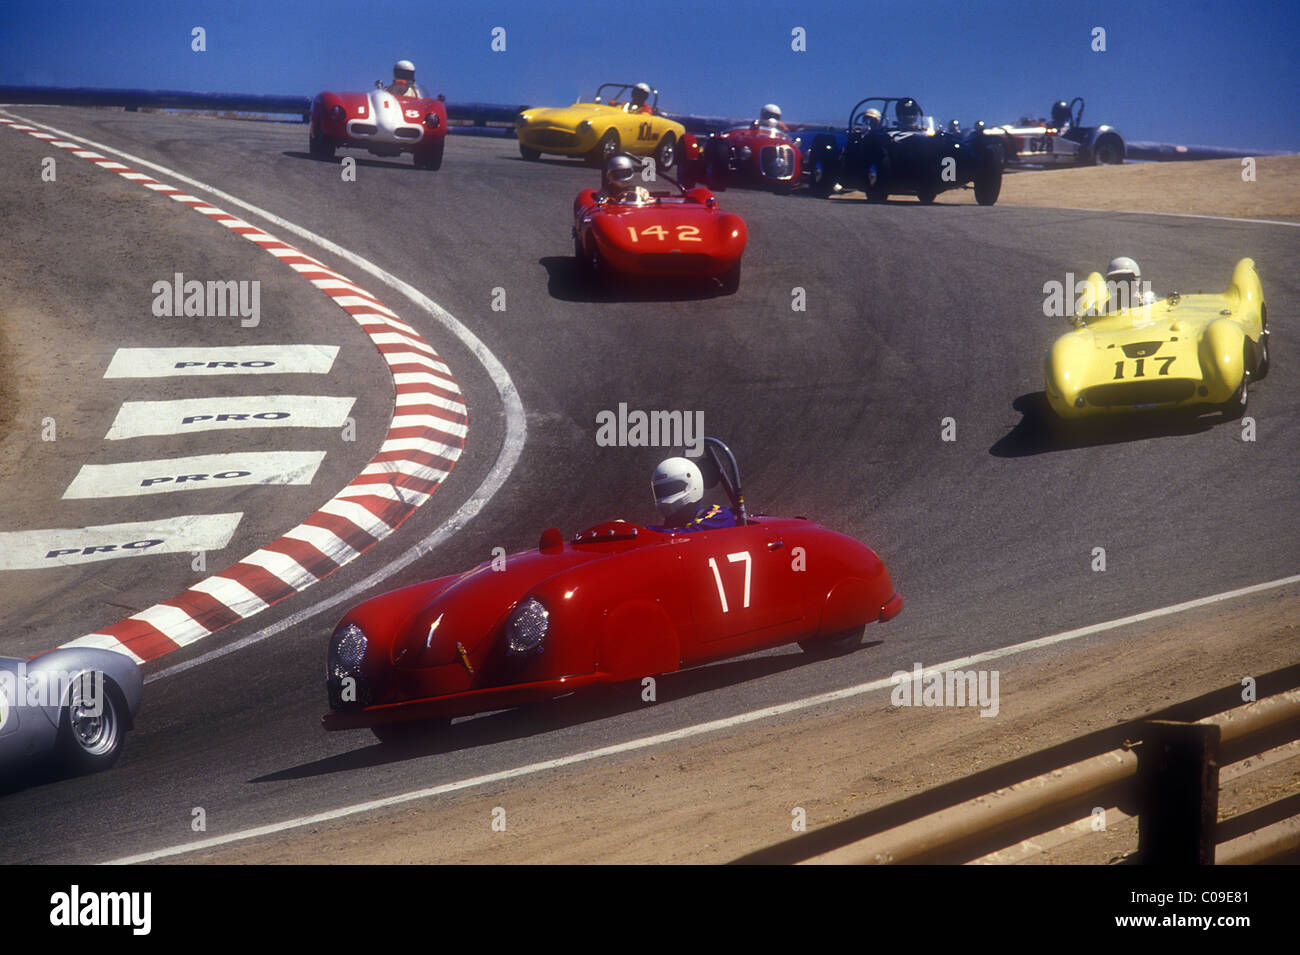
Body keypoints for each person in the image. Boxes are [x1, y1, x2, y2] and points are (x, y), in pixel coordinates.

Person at [648, 457, 738, 532]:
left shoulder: (720, 517)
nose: (665, 495)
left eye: (671, 488)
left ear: (693, 484)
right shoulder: (670, 525)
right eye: (661, 490)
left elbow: (687, 535)